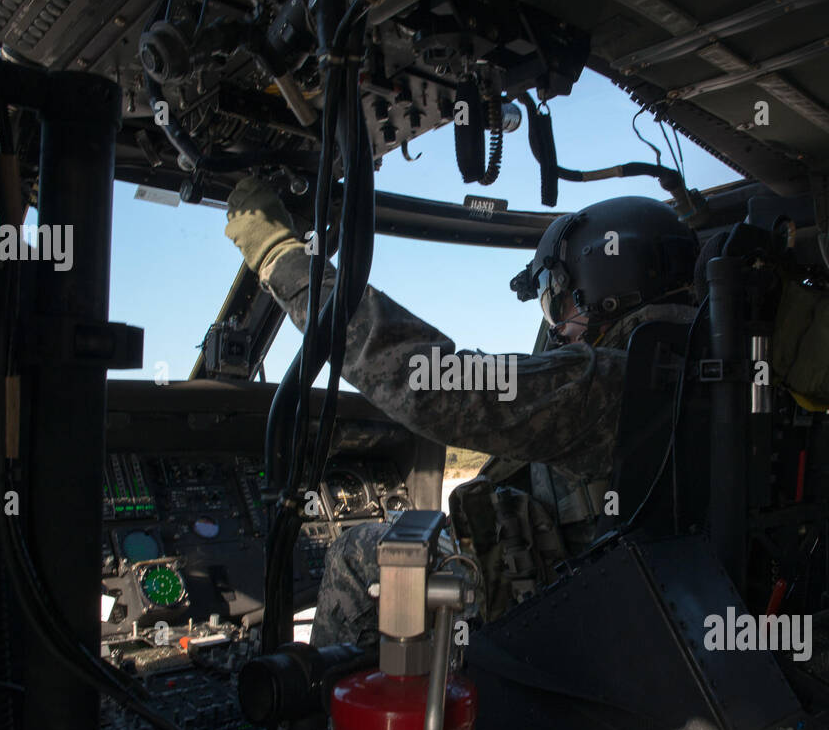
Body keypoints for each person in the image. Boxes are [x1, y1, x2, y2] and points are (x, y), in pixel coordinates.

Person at [224, 178, 701, 647]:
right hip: (639, 606)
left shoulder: (612, 380)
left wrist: (281, 261)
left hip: (571, 614)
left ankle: (324, 716)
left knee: (356, 551)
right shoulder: (696, 367)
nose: (555, 326)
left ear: (601, 289)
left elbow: (433, 382)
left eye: (557, 298)